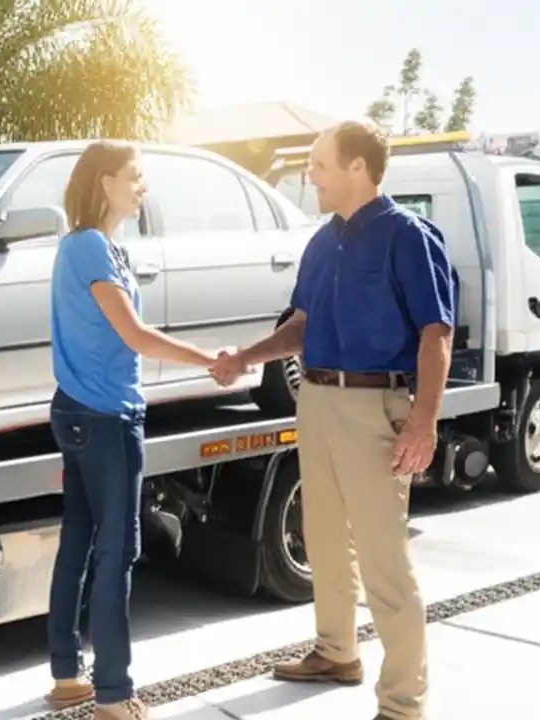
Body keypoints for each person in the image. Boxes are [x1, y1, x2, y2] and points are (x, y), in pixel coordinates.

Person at [211, 120, 455, 720]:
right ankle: (336, 651)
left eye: (319, 163)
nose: (309, 174)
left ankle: (402, 703)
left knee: (383, 559)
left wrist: (424, 423)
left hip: (376, 406)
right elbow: (301, 324)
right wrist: (245, 357)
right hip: (316, 401)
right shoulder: (323, 241)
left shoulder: (409, 236)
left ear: (357, 168)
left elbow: (436, 333)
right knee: (323, 539)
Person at [44, 140, 218, 720]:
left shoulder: (96, 247)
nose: (143, 187)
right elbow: (135, 335)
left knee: (79, 540)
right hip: (106, 417)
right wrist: (212, 362)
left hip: (78, 410)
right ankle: (114, 696)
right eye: (135, 177)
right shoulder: (91, 246)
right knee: (116, 550)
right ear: (105, 184)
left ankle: (68, 674)